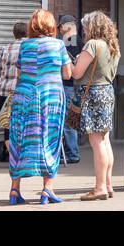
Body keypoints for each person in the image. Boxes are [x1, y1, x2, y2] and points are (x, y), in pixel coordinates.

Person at [6, 9, 72, 205]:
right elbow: (67, 74)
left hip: (24, 97)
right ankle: (47, 189)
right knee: (50, 138)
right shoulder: (58, 45)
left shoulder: (24, 46)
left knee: (18, 140)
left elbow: (19, 74)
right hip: (50, 97)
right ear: (51, 26)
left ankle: (14, 190)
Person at [71, 10, 120, 201]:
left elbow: (76, 73)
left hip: (92, 94)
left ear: (92, 27)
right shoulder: (112, 45)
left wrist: (68, 62)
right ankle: (108, 184)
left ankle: (99, 187)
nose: (83, 30)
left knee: (96, 141)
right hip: (107, 92)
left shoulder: (92, 45)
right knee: (104, 140)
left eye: (85, 26)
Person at [0, 21, 28, 162]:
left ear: (14, 34)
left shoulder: (6, 48)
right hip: (22, 92)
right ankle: (21, 153)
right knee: (23, 122)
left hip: (4, 92)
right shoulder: (30, 48)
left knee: (8, 123)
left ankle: (11, 153)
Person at [57, 14, 82, 165]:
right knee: (72, 118)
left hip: (68, 86)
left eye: (60, 27)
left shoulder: (66, 43)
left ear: (66, 26)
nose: (59, 30)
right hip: (78, 86)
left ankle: (72, 153)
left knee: (68, 121)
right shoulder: (81, 42)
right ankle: (72, 151)